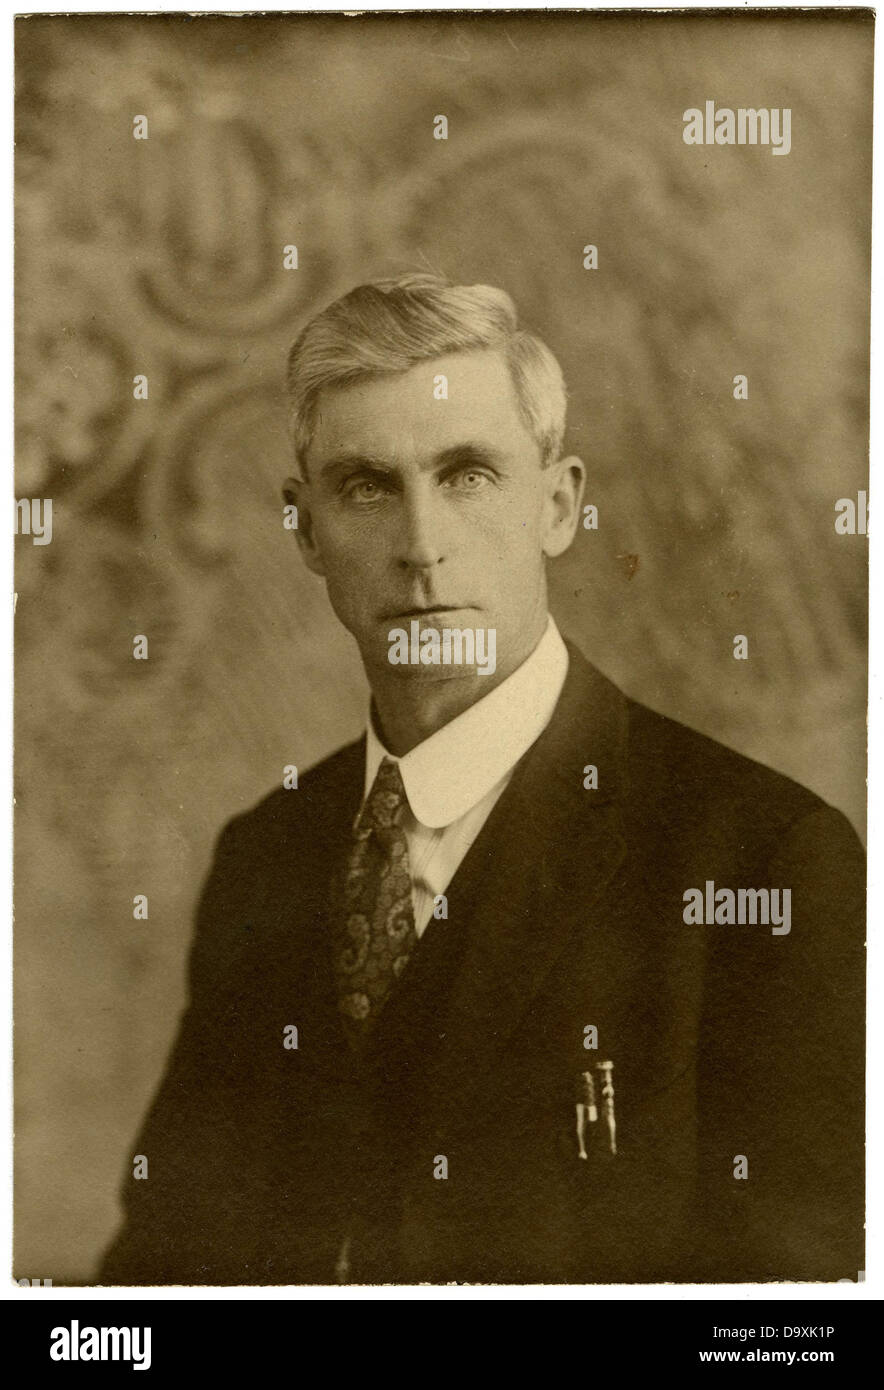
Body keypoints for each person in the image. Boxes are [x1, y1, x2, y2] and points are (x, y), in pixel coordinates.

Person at [99, 274, 864, 1285]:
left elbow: (789, 1329)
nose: (421, 547)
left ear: (555, 506)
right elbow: (157, 1277)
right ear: (305, 532)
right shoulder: (267, 855)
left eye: (465, 474)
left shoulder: (765, 857)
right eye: (367, 487)